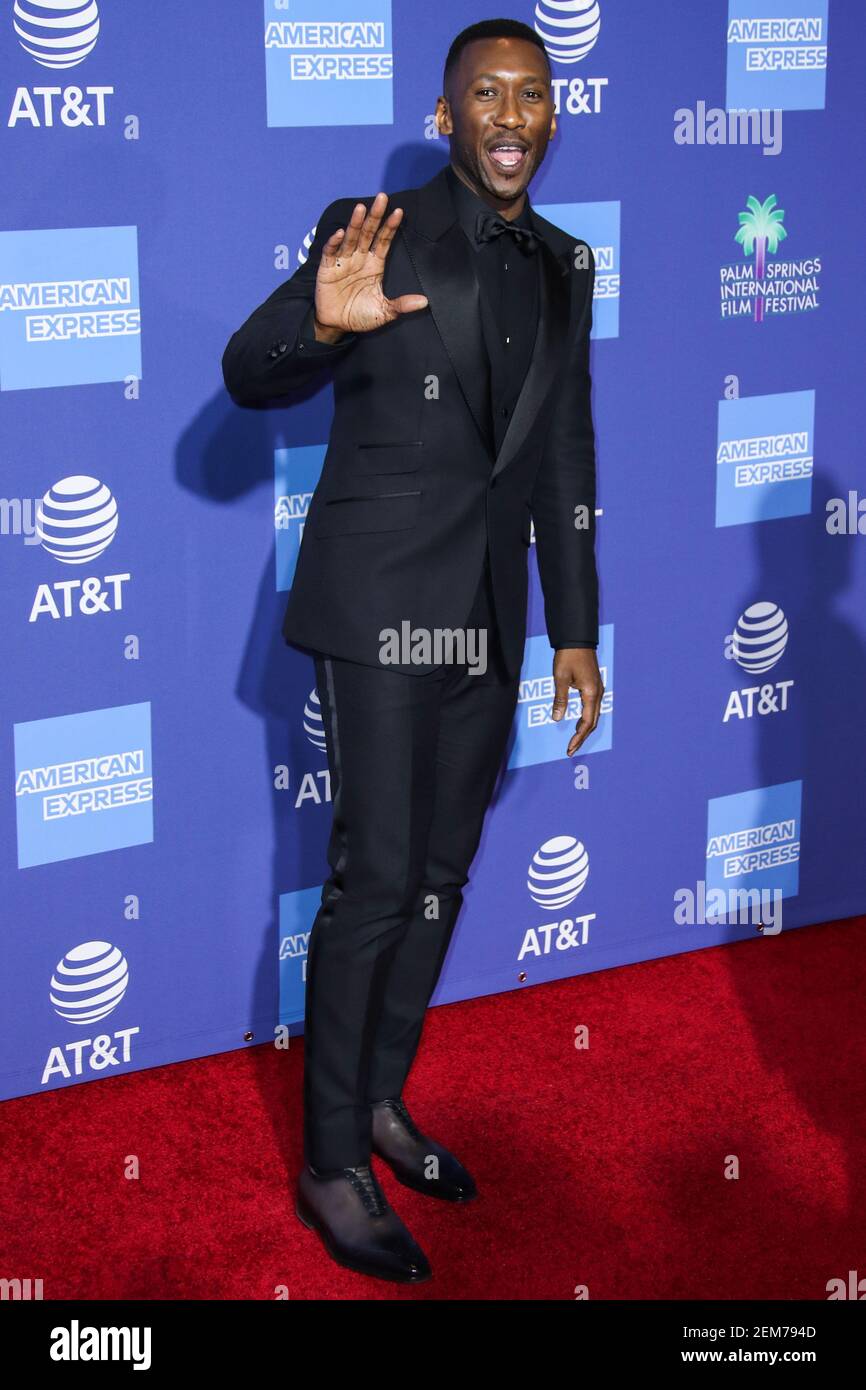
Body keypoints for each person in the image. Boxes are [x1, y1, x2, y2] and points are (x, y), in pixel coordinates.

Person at [222, 16, 604, 1284]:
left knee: (441, 869)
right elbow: (245, 368)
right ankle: (330, 1155)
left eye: (530, 94)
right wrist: (323, 328)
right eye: (484, 93)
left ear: (552, 117)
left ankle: (381, 1100)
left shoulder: (564, 263)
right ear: (447, 117)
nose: (509, 111)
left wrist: (576, 630)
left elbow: (561, 458)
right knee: (377, 876)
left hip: (489, 621)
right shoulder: (370, 224)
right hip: (381, 608)